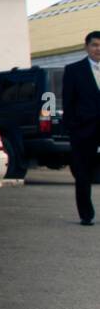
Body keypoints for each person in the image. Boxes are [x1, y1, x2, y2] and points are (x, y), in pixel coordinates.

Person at [61, 31, 100, 225]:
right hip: (84, 131)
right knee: (83, 174)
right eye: (94, 45)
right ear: (86, 47)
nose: (98, 49)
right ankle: (86, 214)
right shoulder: (74, 70)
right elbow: (69, 102)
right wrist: (74, 128)